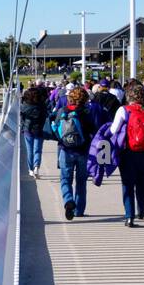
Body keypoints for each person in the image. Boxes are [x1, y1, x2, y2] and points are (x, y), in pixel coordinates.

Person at [108, 82, 144, 227]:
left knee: (127, 184)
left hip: (127, 152)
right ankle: (142, 210)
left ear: (128, 96)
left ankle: (129, 216)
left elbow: (113, 130)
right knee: (142, 181)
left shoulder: (124, 110)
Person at [49, 85, 99, 221]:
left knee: (65, 179)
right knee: (81, 182)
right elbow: (94, 131)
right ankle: (79, 211)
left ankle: (68, 200)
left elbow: (55, 127)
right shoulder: (87, 112)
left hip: (65, 150)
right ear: (84, 99)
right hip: (83, 151)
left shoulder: (62, 111)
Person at [19, 85, 49, 177]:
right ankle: (36, 167)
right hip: (39, 129)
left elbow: (22, 117)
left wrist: (23, 126)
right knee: (38, 150)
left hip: (28, 129)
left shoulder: (25, 105)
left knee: (29, 150)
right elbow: (45, 116)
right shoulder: (42, 105)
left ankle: (30, 169)